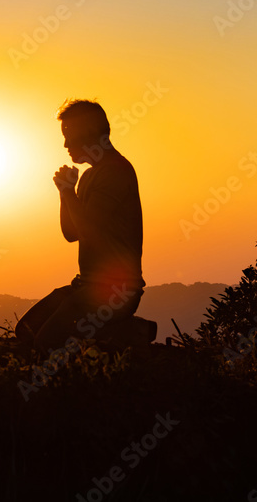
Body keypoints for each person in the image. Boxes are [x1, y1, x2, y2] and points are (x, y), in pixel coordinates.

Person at [15, 99, 154, 353]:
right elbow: (72, 233)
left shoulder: (115, 171)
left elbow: (89, 232)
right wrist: (64, 193)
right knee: (25, 330)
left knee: (46, 343)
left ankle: (125, 333)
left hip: (115, 292)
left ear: (90, 132)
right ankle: (119, 331)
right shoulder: (90, 175)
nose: (66, 144)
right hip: (87, 286)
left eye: (70, 135)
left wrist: (69, 192)